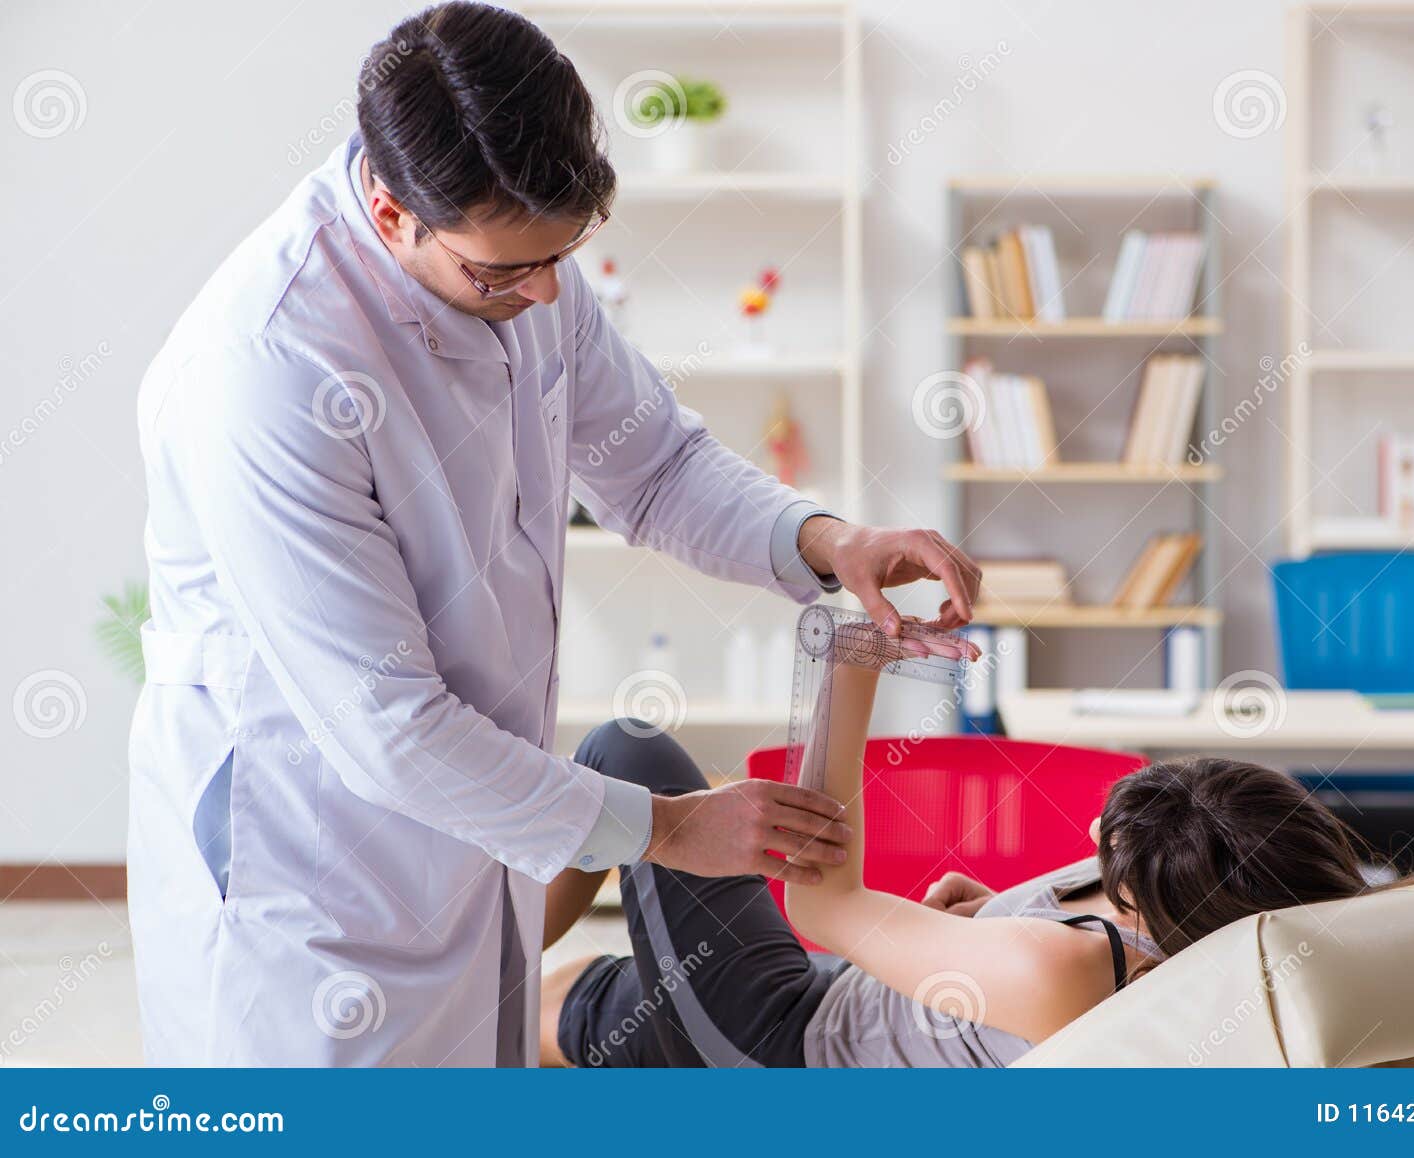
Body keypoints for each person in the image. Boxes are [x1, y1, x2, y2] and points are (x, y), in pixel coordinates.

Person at [127, 1, 981, 1066]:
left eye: (560, 257)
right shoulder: (265, 369)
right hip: (310, 850)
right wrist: (671, 831)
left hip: (462, 817)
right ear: (392, 215)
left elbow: (656, 464)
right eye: (502, 274)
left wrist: (824, 541)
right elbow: (386, 728)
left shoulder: (522, 265)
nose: (540, 295)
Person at [541, 632, 1385, 1068]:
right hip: (833, 1004)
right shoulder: (1197, 929)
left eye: (1108, 850)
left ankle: (474, 973)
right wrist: (980, 931)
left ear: (1146, 899)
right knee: (577, 1000)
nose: (1091, 839)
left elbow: (820, 906)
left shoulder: (1062, 972)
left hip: (777, 1052)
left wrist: (851, 663)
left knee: (628, 751)